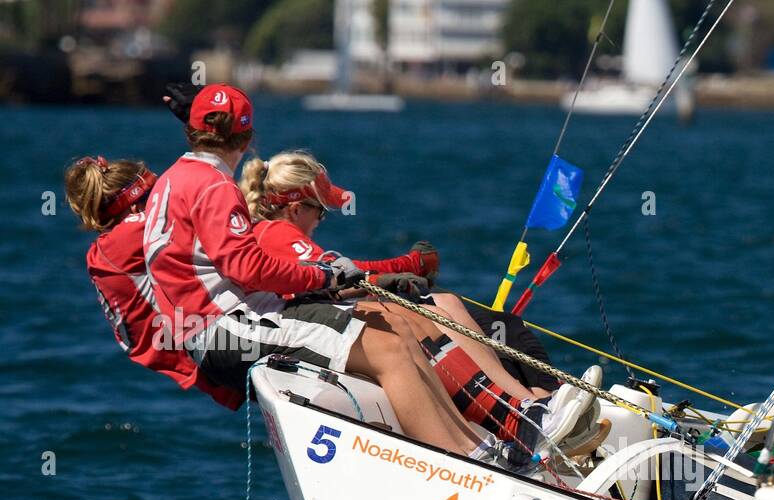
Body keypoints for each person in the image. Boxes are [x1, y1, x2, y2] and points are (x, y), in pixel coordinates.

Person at [137, 83, 591, 461]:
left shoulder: (172, 180)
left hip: (213, 329)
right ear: (247, 138)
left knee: (401, 324)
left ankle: (509, 425)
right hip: (227, 329)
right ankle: (477, 457)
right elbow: (247, 266)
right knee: (389, 349)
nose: (321, 217)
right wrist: (337, 278)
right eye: (319, 210)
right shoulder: (215, 185)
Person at [238, 148, 602, 455]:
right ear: (295, 207)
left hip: (318, 320)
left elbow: (333, 274)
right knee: (431, 310)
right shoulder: (276, 232)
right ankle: (522, 413)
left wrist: (400, 272)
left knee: (447, 303)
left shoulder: (277, 233)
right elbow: (336, 273)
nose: (321, 220)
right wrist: (406, 266)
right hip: (312, 329)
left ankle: (528, 406)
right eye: (319, 211)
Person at [65, 155, 242, 409]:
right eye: (153, 197)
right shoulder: (125, 239)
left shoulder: (106, 249)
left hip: (192, 358)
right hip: (204, 355)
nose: (160, 202)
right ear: (134, 206)